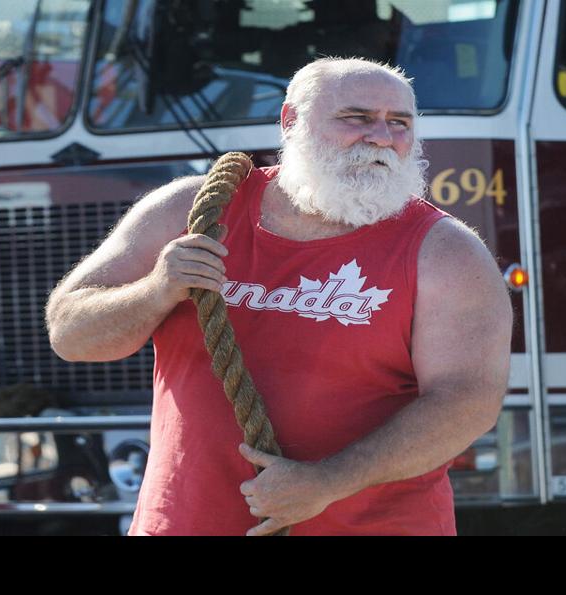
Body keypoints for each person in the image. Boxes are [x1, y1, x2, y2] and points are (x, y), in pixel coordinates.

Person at [44, 57, 512, 535]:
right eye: (356, 118)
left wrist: (328, 482)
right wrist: (156, 290)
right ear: (291, 120)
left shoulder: (447, 253)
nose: (380, 137)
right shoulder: (188, 211)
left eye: (399, 123)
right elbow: (70, 335)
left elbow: (466, 402)